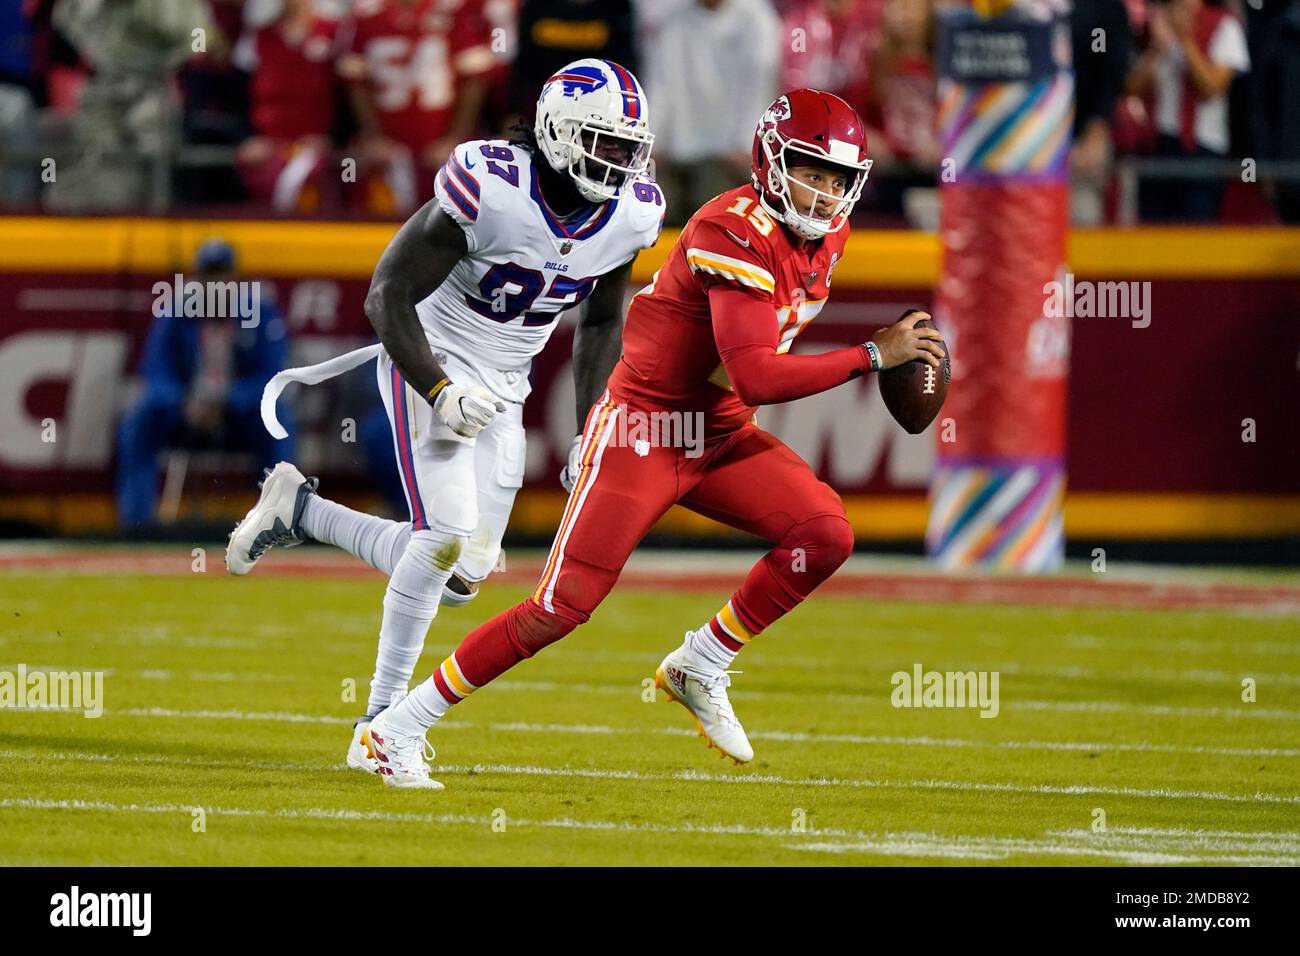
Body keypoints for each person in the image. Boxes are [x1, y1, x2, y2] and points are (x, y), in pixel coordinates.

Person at [362, 89, 945, 789]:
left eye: (837, 180)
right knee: (561, 606)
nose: (822, 195)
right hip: (644, 429)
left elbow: (742, 387)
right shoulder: (731, 230)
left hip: (719, 432)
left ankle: (702, 662)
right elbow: (756, 374)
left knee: (824, 533)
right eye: (809, 171)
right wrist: (872, 357)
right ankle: (396, 728)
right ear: (769, 158)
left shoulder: (826, 236)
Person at [224, 59, 662, 775]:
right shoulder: (492, 187)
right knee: (446, 536)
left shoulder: (633, 212)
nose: (618, 162)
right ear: (556, 131)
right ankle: (379, 726)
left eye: (627, 147)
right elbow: (387, 293)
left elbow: (602, 320)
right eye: (603, 142)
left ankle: (301, 513)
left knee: (466, 573)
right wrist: (437, 389)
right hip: (431, 353)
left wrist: (592, 422)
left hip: (507, 384)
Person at [116, 239, 293, 527]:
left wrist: (229, 401)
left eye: (222, 274)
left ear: (234, 278)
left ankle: (278, 523)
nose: (216, 282)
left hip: (241, 412)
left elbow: (273, 374)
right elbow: (154, 369)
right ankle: (137, 525)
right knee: (140, 420)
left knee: (279, 423)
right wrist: (183, 402)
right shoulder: (177, 311)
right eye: (209, 274)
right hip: (185, 411)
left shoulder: (259, 311)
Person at [1127, 0, 1250, 221]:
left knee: (1196, 229)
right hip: (1158, 144)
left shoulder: (1225, 26)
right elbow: (1132, 89)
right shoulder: (1158, 24)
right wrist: (1157, 49)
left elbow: (1212, 88)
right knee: (1153, 230)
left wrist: (1185, 41)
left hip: (1203, 147)